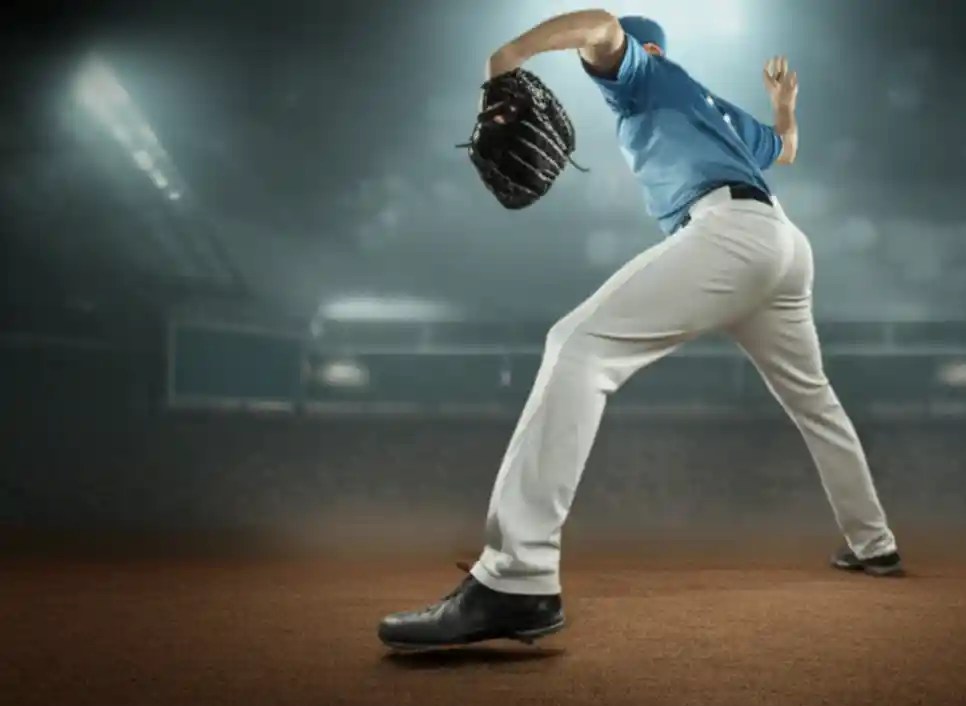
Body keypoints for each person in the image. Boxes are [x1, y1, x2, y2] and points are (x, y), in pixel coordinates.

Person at [378, 10, 901, 651]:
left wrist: (506, 56)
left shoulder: (645, 76)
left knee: (577, 347)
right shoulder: (714, 109)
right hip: (783, 246)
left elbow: (598, 23)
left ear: (643, 49)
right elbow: (786, 149)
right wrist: (783, 106)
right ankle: (873, 543)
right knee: (815, 402)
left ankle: (519, 578)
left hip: (727, 237)